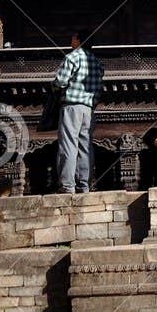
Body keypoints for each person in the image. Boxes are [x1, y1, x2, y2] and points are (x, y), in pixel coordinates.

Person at [54, 31, 105, 194]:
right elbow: (99, 88)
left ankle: (67, 185)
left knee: (69, 144)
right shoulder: (97, 62)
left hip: (72, 106)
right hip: (88, 108)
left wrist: (53, 86)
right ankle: (84, 185)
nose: (71, 40)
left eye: (73, 38)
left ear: (79, 40)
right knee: (85, 146)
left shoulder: (72, 57)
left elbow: (60, 81)